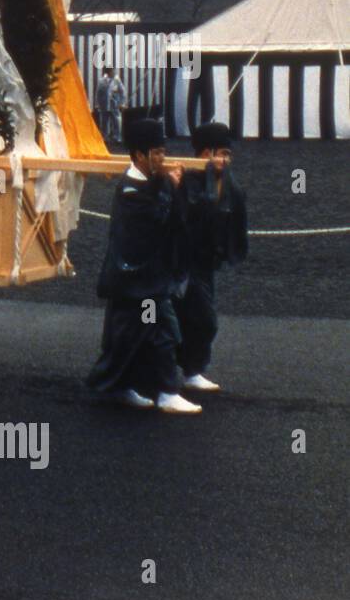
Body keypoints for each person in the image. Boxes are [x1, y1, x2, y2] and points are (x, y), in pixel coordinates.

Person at [84, 119, 199, 414]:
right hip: (136, 282)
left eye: (163, 152)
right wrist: (171, 186)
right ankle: (165, 392)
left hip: (143, 283)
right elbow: (157, 219)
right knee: (159, 331)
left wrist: (170, 186)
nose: (161, 158)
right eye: (156, 153)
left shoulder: (148, 183)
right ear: (138, 155)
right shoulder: (129, 191)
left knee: (138, 337)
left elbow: (174, 217)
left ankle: (130, 387)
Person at [173, 121, 248, 393]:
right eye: (219, 153)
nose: (224, 160)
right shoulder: (186, 181)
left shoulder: (230, 185)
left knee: (192, 317)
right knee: (205, 320)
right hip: (182, 261)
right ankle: (186, 369)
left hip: (206, 262)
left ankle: (190, 369)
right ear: (204, 154)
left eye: (228, 154)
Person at [106, 73, 128, 142]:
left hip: (115, 104)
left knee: (117, 121)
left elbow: (122, 92)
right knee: (107, 121)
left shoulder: (116, 79)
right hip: (106, 104)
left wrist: (122, 103)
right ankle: (109, 136)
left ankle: (118, 137)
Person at [95, 70, 113, 139]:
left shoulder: (114, 81)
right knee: (104, 121)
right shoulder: (101, 81)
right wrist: (97, 104)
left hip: (112, 105)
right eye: (112, 72)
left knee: (113, 121)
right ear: (108, 73)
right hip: (104, 104)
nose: (113, 73)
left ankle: (112, 136)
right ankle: (104, 136)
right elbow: (98, 93)